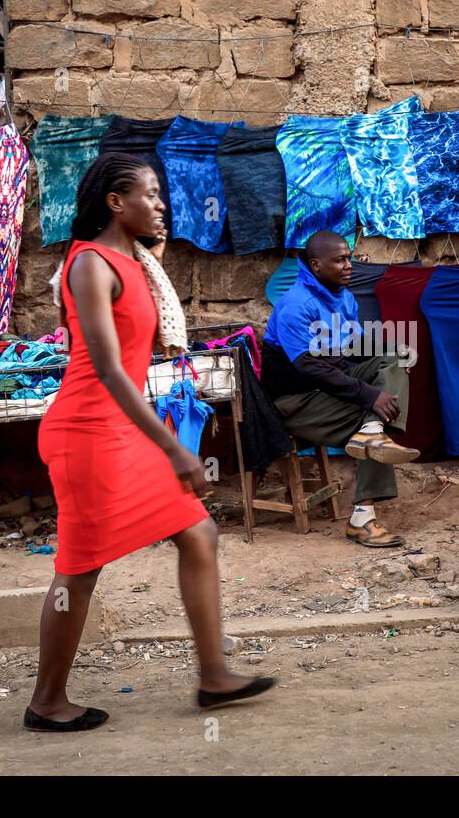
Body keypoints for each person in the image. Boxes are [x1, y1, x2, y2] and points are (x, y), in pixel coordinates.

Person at [27, 153, 274, 732]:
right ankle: (46, 700)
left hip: (118, 428)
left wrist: (153, 251)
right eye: (150, 193)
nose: (161, 203)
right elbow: (111, 371)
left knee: (198, 531)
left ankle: (214, 676)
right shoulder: (90, 264)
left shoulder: (130, 261)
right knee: (81, 570)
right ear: (116, 203)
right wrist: (173, 446)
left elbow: (145, 324)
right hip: (87, 430)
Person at [261, 230, 418, 548]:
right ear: (316, 265)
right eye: (341, 260)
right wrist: (369, 395)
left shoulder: (343, 295)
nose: (350, 266)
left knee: (393, 360)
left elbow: (355, 345)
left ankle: (372, 429)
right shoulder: (296, 305)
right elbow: (311, 367)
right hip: (295, 399)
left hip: (328, 385)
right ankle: (362, 519)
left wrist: (395, 349)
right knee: (370, 416)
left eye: (351, 258)